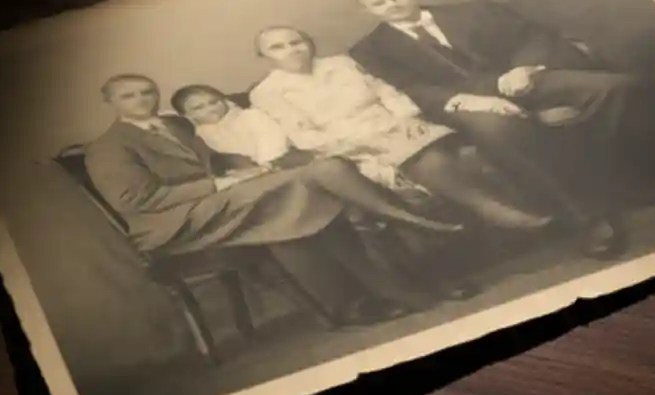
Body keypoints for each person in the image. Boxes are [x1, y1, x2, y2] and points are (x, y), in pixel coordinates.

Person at [83, 73, 449, 322]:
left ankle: (376, 297)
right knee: (305, 184)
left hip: (233, 198)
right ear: (109, 101)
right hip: (177, 222)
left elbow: (228, 146)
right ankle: (405, 228)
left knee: (296, 198)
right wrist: (218, 185)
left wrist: (250, 167)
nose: (141, 100)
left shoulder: (179, 124)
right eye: (128, 95)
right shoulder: (108, 147)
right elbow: (135, 200)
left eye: (146, 91)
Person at [346, 0, 635, 255]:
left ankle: (615, 173)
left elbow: (532, 36)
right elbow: (407, 88)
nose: (392, 4)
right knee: (499, 129)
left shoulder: (473, 9)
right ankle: (585, 215)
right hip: (463, 107)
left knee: (614, 88)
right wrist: (473, 102)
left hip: (520, 81)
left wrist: (523, 68)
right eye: (380, 2)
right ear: (368, 11)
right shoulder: (368, 50)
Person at [247, 26, 555, 231]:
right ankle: (489, 209)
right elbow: (304, 136)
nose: (291, 50)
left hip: (394, 123)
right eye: (277, 47)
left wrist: (406, 118)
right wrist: (366, 142)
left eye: (296, 42)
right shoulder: (267, 92)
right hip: (350, 145)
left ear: (309, 44)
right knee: (416, 154)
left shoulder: (340, 63)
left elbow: (386, 92)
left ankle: (495, 208)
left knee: (423, 140)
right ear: (264, 58)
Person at [169, 83, 464, 234]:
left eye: (213, 101)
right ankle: (381, 218)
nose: (210, 110)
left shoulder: (249, 115)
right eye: (198, 108)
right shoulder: (203, 137)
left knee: (357, 170)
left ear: (224, 100)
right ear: (186, 116)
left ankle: (408, 212)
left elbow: (272, 141)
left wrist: (266, 163)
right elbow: (223, 161)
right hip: (266, 175)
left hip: (288, 158)